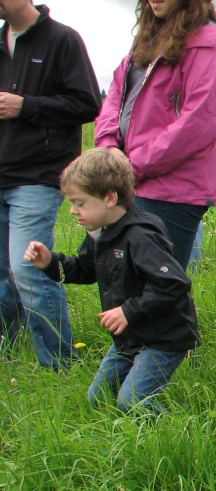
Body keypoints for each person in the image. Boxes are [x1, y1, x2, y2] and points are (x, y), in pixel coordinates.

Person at [94, 0, 216, 270]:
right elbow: (116, 95)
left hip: (174, 187)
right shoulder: (147, 37)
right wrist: (108, 148)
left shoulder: (207, 43)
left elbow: (201, 120)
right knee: (129, 279)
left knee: (155, 289)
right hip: (134, 176)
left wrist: (133, 165)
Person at [24, 149, 199, 412]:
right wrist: (50, 263)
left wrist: (128, 311)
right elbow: (85, 270)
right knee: (99, 399)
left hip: (164, 337)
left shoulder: (141, 235)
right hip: (129, 337)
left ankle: (174, 433)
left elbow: (174, 283)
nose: (72, 211)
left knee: (132, 402)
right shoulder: (100, 233)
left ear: (109, 198)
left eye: (80, 203)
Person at [0, 0, 102, 369]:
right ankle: (11, 351)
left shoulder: (62, 40)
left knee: (26, 268)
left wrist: (27, 106)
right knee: (2, 276)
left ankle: (59, 363)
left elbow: (87, 102)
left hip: (39, 175)